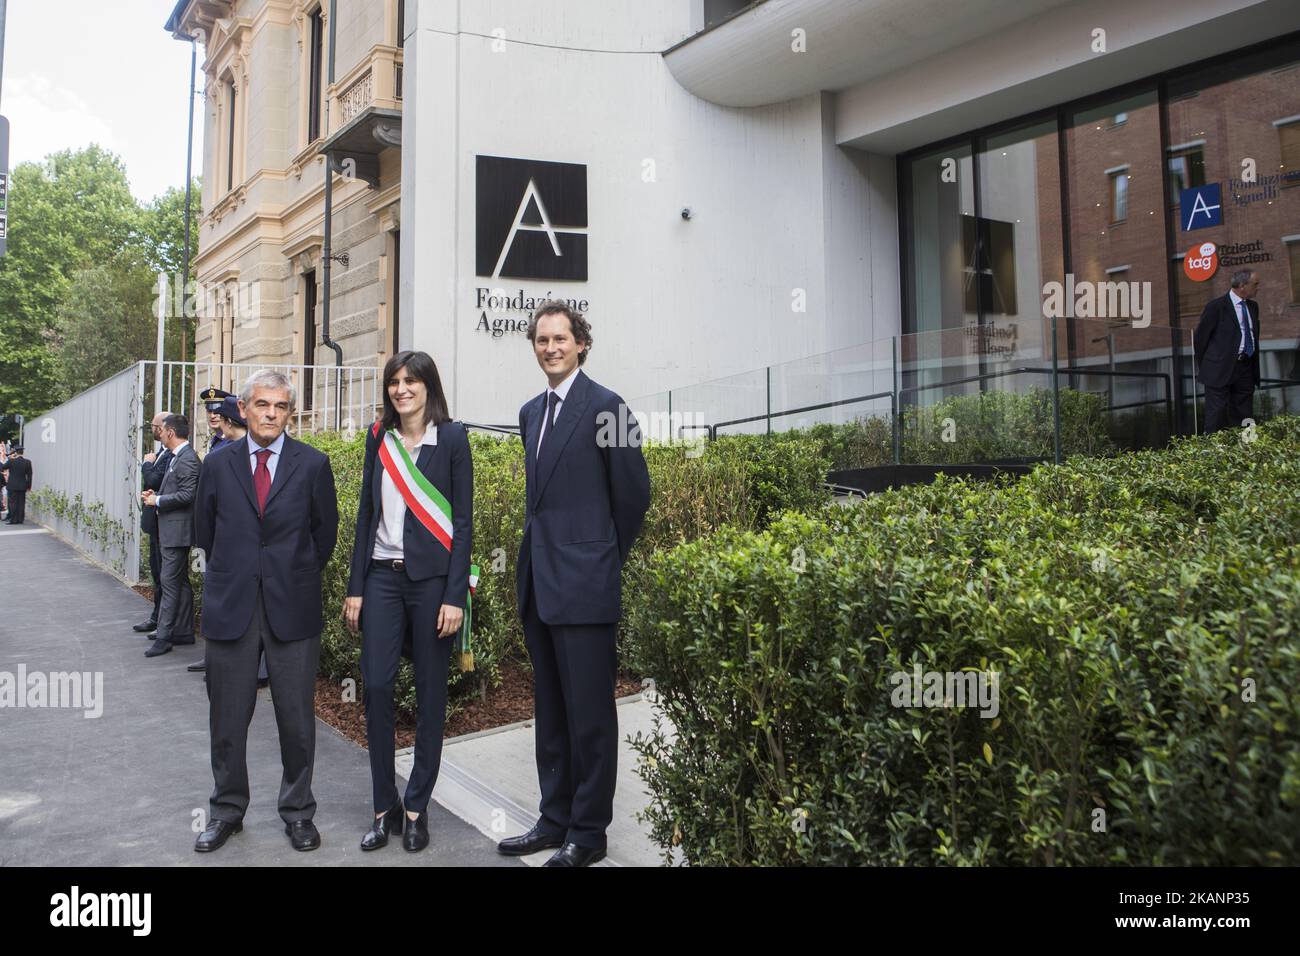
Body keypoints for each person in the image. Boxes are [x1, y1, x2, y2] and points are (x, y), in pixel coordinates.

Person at [497, 302, 650, 867]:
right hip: (540, 584)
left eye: (561, 338)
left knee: (589, 717)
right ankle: (553, 818)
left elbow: (633, 496)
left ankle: (588, 833)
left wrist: (600, 556)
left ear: (581, 344)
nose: (551, 347)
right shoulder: (530, 412)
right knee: (552, 713)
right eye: (542, 339)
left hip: (585, 586)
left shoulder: (607, 406)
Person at [192, 369, 339, 853]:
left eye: (280, 406)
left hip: (292, 608)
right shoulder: (217, 465)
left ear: (290, 413)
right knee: (228, 717)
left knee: (296, 719)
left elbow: (324, 537)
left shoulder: (314, 464)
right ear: (245, 408)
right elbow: (204, 531)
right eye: (262, 405)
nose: (271, 413)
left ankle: (298, 812)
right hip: (230, 606)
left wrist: (286, 574)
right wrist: (241, 573)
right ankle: (226, 811)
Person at [343, 350, 472, 852]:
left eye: (411, 381)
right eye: (394, 382)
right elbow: (364, 515)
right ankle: (384, 806)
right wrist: (355, 585)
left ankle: (417, 806)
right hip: (380, 578)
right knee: (375, 686)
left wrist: (454, 595)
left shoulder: (453, 438)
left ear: (428, 387)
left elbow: (461, 524)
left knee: (431, 694)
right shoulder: (380, 438)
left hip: (431, 584)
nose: (401, 389)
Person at [188, 396, 254, 677]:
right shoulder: (219, 449)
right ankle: (219, 658)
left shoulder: (241, 451)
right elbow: (206, 514)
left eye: (219, 415)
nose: (213, 418)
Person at [142, 415, 199, 658]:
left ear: (171, 432)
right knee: (180, 582)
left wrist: (159, 500)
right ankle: (184, 631)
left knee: (169, 583)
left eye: (162, 430)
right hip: (172, 530)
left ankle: (164, 637)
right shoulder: (179, 457)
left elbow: (188, 495)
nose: (160, 434)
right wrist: (157, 493)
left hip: (176, 533)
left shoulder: (186, 459)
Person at [1195, 270, 1261, 434]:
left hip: (1245, 366)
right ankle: (1214, 453)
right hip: (1219, 369)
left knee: (1245, 413)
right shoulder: (1216, 307)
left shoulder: (1253, 306)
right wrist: (1209, 365)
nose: (1258, 288)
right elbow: (1200, 339)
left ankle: (1248, 449)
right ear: (1242, 286)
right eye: (1255, 284)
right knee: (1216, 415)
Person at [135, 412, 175, 636]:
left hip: (164, 523)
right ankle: (156, 616)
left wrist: (146, 464)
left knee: (164, 575)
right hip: (155, 522)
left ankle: (162, 620)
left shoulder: (169, 454)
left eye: (154, 426)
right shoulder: (162, 453)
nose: (153, 429)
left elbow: (154, 480)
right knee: (157, 573)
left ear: (163, 428)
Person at [199, 387, 236, 453]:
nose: (212, 416)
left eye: (217, 412)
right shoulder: (215, 440)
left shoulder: (233, 441)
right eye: (209, 411)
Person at [4, 445, 33, 525]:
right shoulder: (27, 462)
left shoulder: (11, 461)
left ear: (15, 452)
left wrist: (9, 458)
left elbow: (3, 467)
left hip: (12, 485)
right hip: (22, 485)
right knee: (21, 502)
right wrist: (29, 486)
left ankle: (13, 519)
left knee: (13, 503)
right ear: (23, 452)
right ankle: (20, 519)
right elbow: (30, 475)